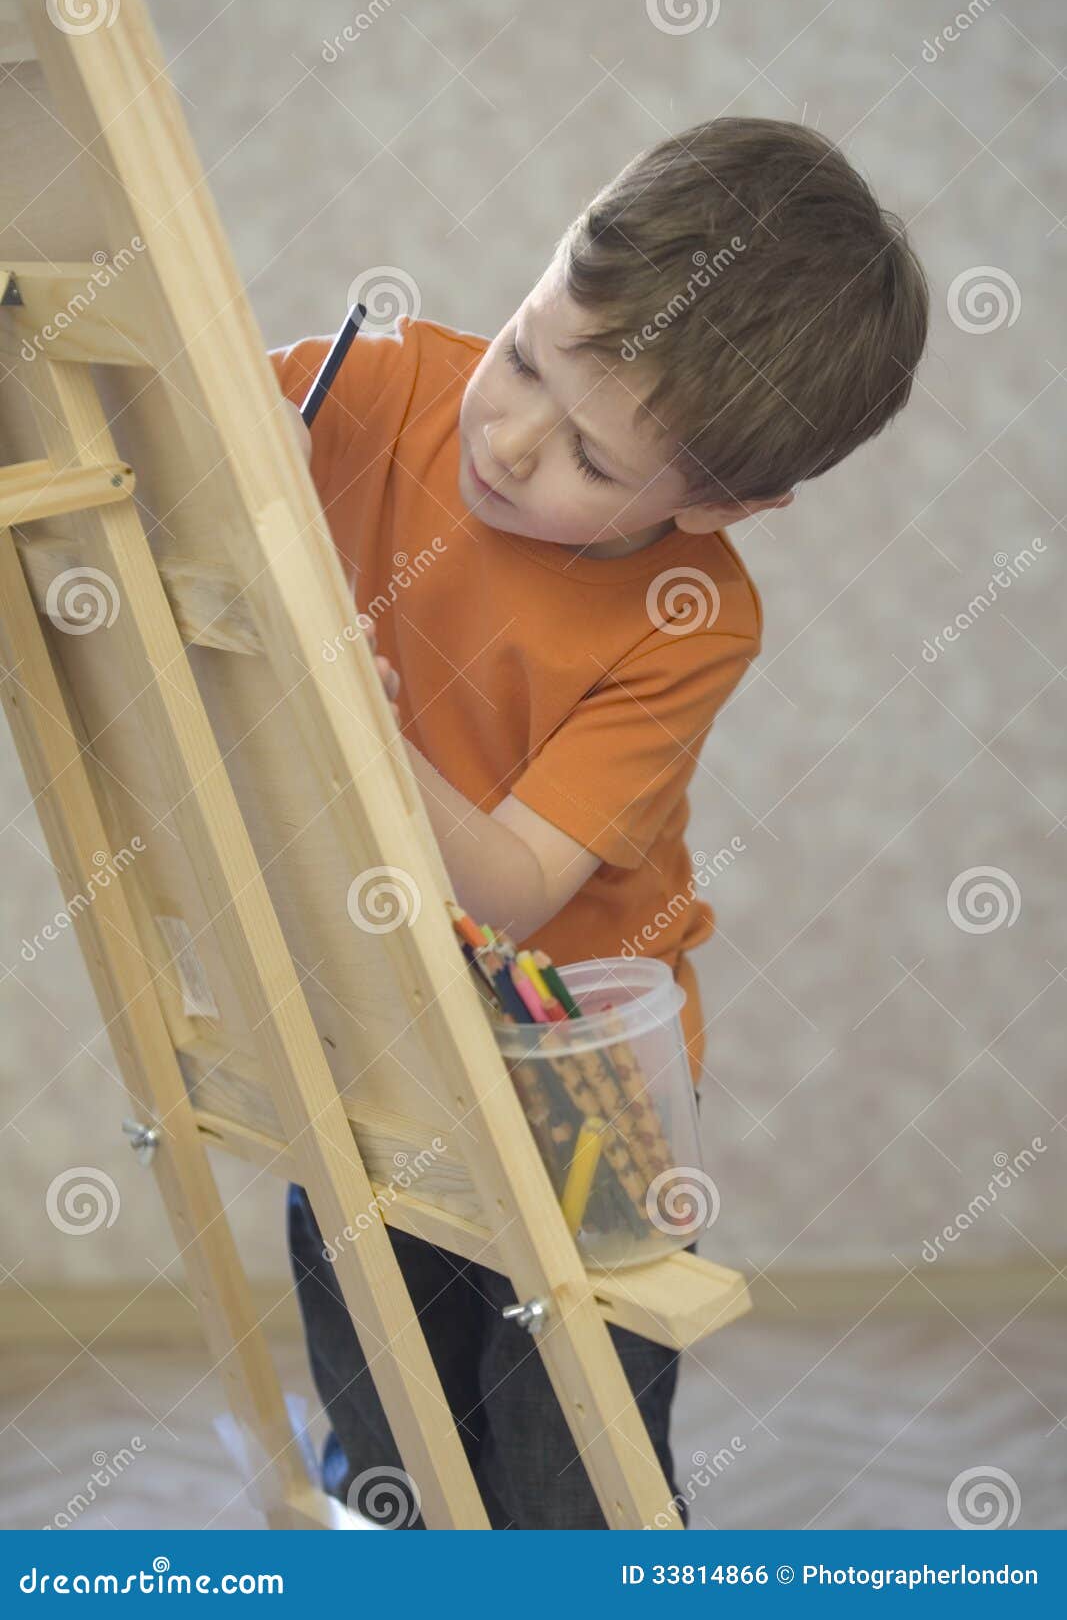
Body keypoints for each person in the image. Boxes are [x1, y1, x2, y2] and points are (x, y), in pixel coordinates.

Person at [269, 117, 929, 1529]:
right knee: (390, 1450)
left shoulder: (692, 622)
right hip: (374, 1028)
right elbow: (155, 445)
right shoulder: (379, 398)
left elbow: (507, 887)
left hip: (585, 1082)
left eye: (589, 453)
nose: (506, 433)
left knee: (574, 1480)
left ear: (720, 506)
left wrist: (359, 733)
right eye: (523, 352)